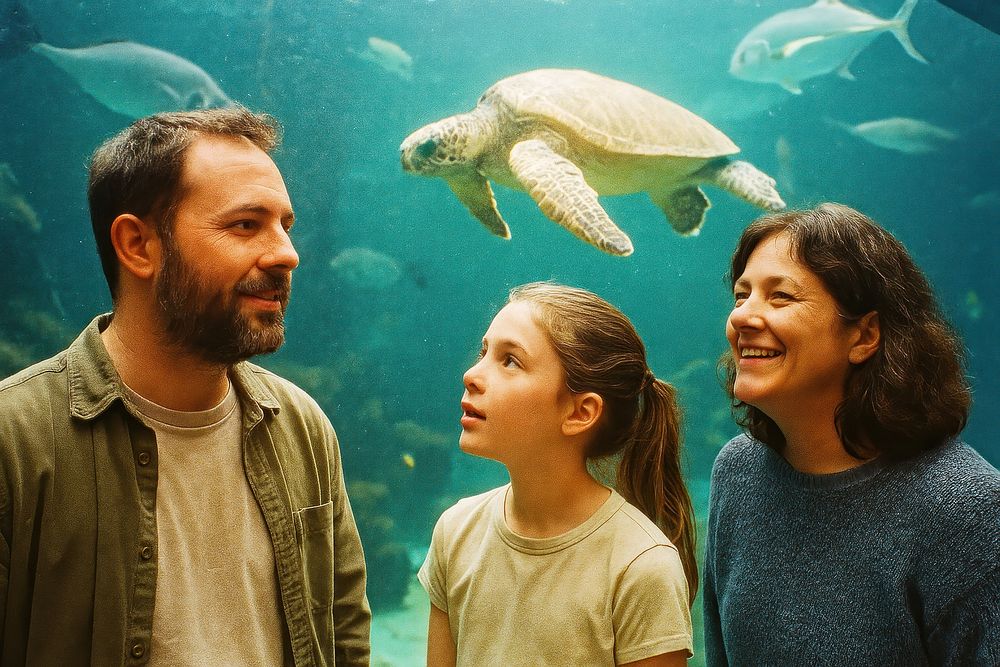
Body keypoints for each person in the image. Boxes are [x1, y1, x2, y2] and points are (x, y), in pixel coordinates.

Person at [0, 107, 371, 665]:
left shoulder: (303, 427)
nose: (287, 254)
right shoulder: (15, 441)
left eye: (285, 225)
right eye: (245, 224)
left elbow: (344, 633)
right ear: (137, 245)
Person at [704, 203, 1000, 665]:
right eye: (742, 296)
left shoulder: (966, 508)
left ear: (864, 336)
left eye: (780, 296)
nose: (742, 317)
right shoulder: (736, 472)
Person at [420, 282, 696, 666]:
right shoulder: (455, 532)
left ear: (580, 412)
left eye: (510, 361)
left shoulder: (641, 567)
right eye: (484, 353)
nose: (471, 374)